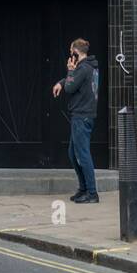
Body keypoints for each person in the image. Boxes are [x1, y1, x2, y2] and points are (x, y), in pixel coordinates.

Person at [52, 37, 100, 204]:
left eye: (70, 51)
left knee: (82, 155)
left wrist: (69, 71)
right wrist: (61, 81)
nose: (69, 54)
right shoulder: (88, 67)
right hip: (83, 115)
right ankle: (83, 188)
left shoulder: (83, 68)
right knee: (73, 154)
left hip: (82, 115)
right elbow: (74, 82)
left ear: (75, 52)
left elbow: (71, 87)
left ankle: (92, 193)